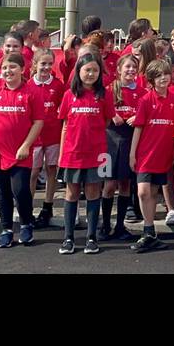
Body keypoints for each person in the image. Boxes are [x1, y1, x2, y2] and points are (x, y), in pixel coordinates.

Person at [0, 52, 45, 249]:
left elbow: (38, 122)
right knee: (3, 192)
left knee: (20, 190)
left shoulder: (31, 93)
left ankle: (26, 224)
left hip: (20, 154)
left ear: (22, 69)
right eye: (4, 68)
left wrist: (26, 145)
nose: (8, 71)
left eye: (12, 67)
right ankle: (6, 229)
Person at [58, 53, 116, 255]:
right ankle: (68, 238)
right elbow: (65, 125)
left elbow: (107, 121)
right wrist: (61, 155)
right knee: (72, 193)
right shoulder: (69, 95)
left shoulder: (105, 95)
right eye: (87, 70)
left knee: (93, 193)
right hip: (72, 153)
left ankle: (91, 237)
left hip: (97, 152)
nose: (91, 74)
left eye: (95, 70)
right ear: (78, 72)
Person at [129, 59, 174, 253]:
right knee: (143, 191)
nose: (163, 79)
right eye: (158, 76)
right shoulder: (145, 100)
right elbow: (138, 128)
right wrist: (132, 154)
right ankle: (148, 229)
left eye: (166, 74)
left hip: (164, 154)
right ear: (151, 80)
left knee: (153, 192)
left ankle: (150, 233)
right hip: (144, 154)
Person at [100, 54, 141, 242]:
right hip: (109, 141)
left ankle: (120, 225)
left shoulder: (142, 92)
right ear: (119, 69)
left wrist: (138, 117)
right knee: (108, 185)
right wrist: (112, 114)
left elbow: (146, 112)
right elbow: (101, 111)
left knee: (125, 184)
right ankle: (105, 224)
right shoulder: (109, 90)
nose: (131, 70)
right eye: (127, 67)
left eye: (134, 67)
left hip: (129, 140)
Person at [28, 49, 66, 229]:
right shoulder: (27, 85)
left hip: (53, 135)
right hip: (34, 137)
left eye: (50, 64)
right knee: (33, 172)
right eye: (43, 63)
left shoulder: (58, 85)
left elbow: (62, 109)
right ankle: (27, 206)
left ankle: (48, 205)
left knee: (52, 170)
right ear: (35, 64)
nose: (46, 67)